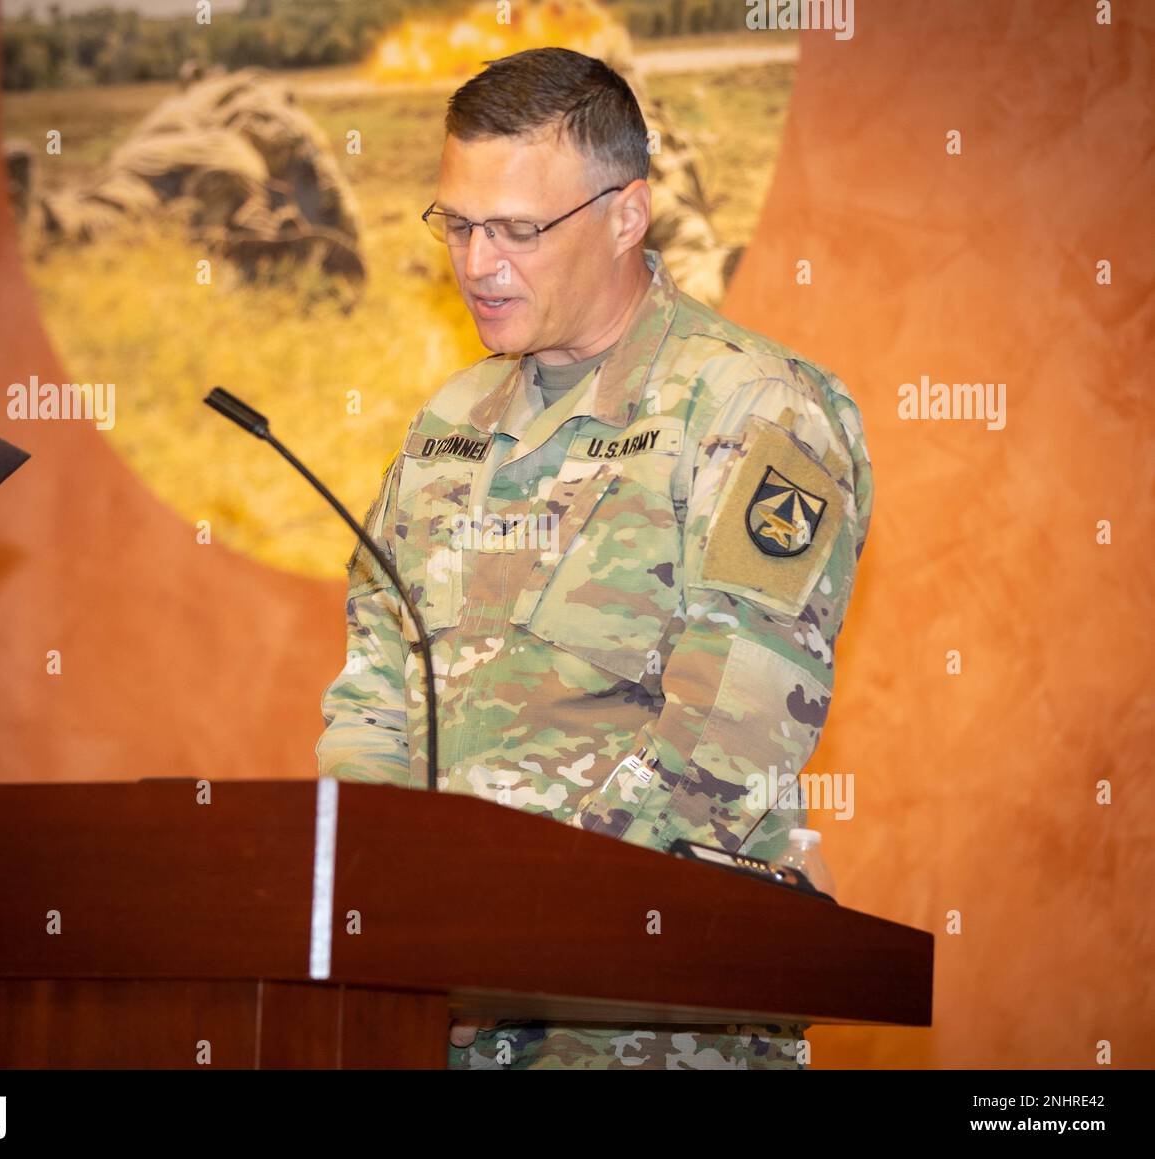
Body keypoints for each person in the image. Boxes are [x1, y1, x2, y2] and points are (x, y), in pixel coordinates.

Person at [316, 47, 873, 1070]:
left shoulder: (753, 412)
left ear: (627, 215)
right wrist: (381, 930)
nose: (480, 263)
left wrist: (495, 949)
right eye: (459, 223)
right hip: (433, 1015)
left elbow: (722, 745)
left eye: (520, 230)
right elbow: (372, 698)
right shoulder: (446, 425)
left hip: (646, 1023)